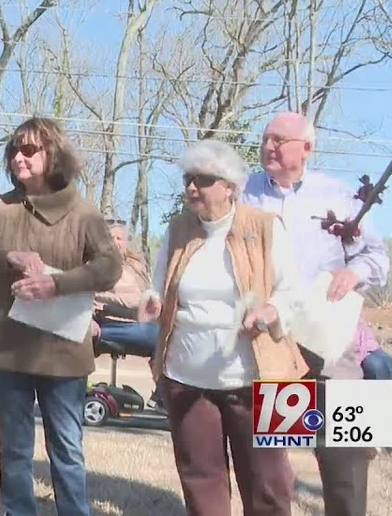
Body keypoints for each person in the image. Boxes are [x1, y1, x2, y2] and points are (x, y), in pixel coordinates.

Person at [0, 115, 122, 516]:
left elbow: (110, 268)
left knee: (67, 446)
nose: (17, 158)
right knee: (14, 446)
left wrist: (56, 285)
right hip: (5, 349)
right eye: (13, 151)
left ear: (53, 154)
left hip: (63, 351)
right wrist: (6, 256)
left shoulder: (83, 214)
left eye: (28, 150)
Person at [139, 139, 312, 516]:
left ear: (230, 186)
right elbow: (159, 282)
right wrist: (154, 298)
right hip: (186, 375)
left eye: (203, 180)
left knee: (270, 483)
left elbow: (294, 291)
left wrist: (270, 311)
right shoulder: (179, 228)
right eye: (188, 179)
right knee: (201, 479)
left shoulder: (266, 226)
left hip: (264, 374)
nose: (191, 188)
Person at [241, 110, 389, 514]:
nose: (268, 145)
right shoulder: (245, 193)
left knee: (347, 461)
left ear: (306, 148)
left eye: (278, 139)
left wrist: (352, 270)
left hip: (334, 336)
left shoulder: (337, 195)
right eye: (265, 138)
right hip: (277, 340)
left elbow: (378, 258)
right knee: (273, 466)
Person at [92, 218, 163, 409]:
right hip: (107, 324)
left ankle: (162, 395)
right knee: (160, 338)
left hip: (136, 322)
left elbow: (145, 297)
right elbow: (88, 295)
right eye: (111, 237)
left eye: (120, 238)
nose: (116, 241)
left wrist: (101, 296)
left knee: (169, 336)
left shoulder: (135, 266)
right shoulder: (95, 265)